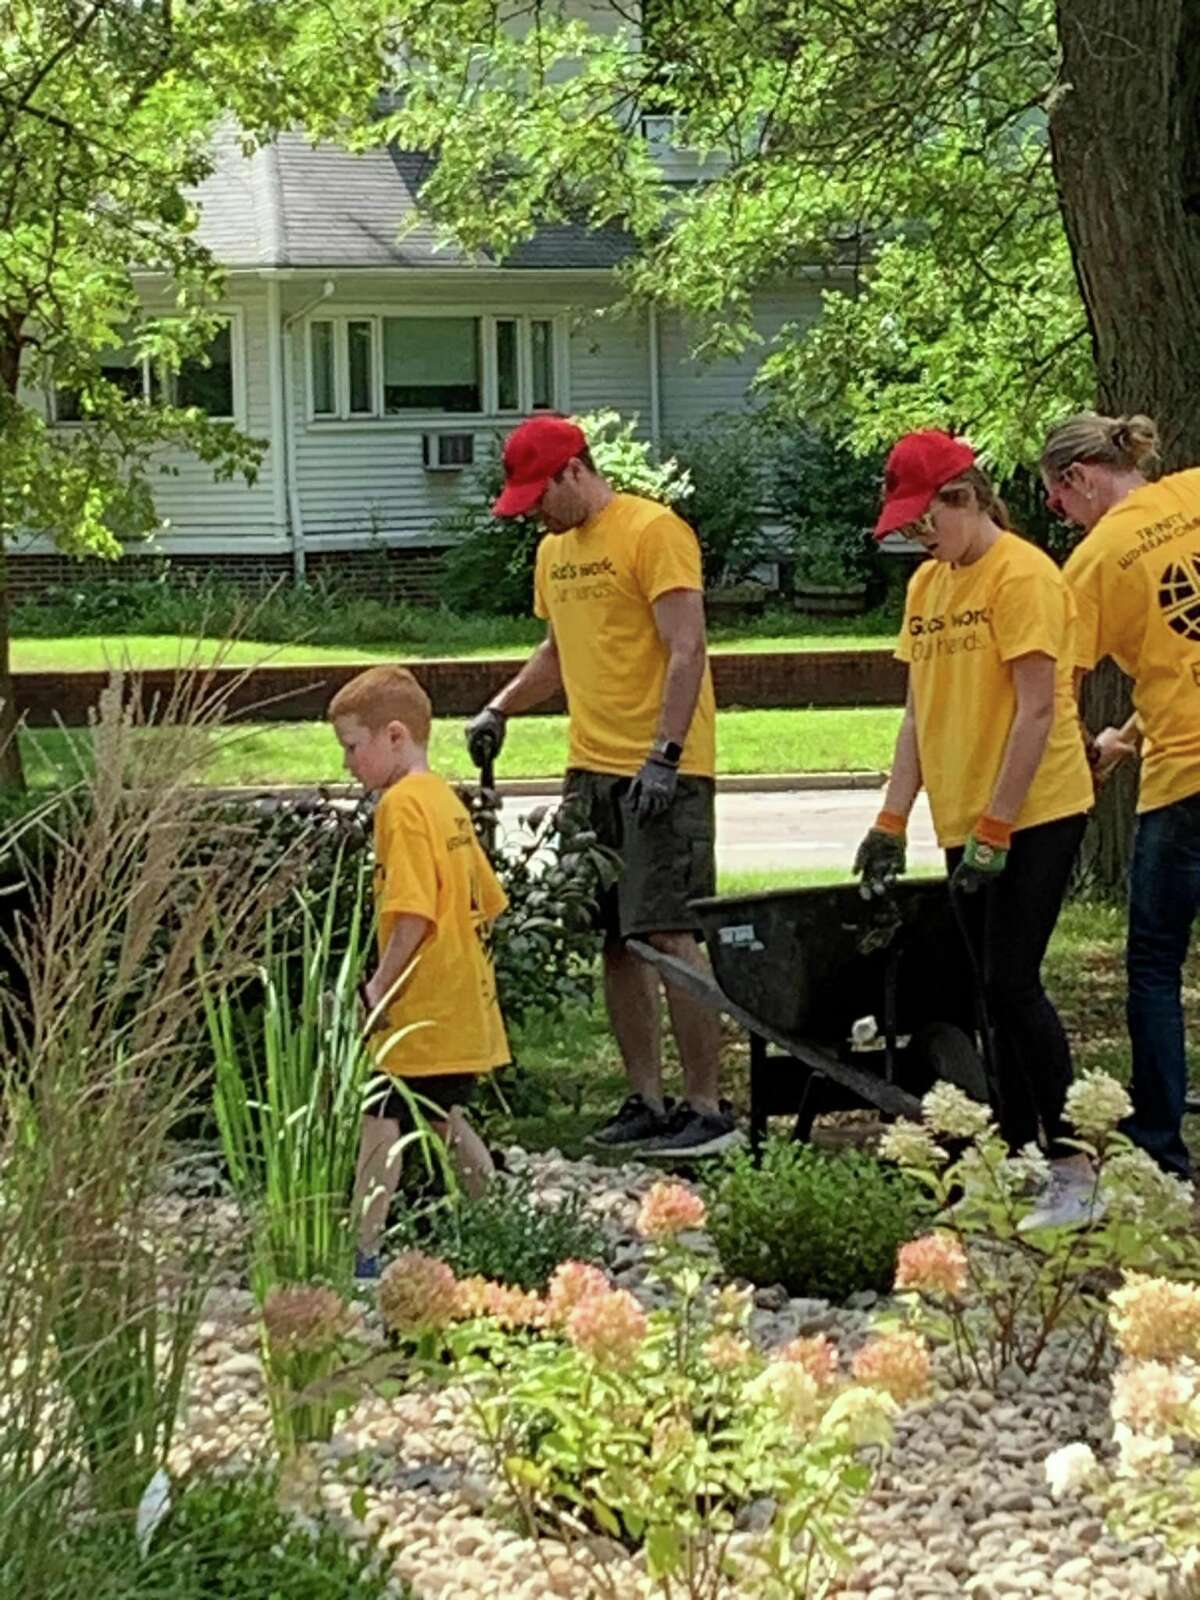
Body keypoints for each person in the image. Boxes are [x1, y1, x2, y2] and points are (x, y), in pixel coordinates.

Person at [465, 413, 739, 1158]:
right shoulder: (554, 553)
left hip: (665, 769)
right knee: (615, 939)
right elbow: (557, 654)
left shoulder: (654, 532)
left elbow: (687, 648)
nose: (535, 515)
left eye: (539, 497)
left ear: (574, 471)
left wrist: (665, 754)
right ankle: (646, 1099)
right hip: (590, 770)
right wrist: (500, 708)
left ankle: (706, 1107)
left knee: (668, 933)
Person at [854, 429, 1096, 1229]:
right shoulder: (928, 586)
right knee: (987, 991)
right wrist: (892, 820)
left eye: (926, 520)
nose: (920, 538)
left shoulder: (1023, 576)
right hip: (965, 814)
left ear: (963, 498)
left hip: (1038, 808)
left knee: (1013, 981)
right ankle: (1016, 1153)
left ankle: (1074, 1166)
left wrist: (998, 826)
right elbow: (918, 714)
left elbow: (1037, 712)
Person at [1043, 411, 1200, 1180]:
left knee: (1155, 965)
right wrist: (1130, 732)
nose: (1063, 517)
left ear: (1078, 478)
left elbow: (1055, 690)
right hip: (1168, 742)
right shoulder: (1196, 492)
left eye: (1057, 502)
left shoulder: (1095, 563)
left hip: (1186, 781)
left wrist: (1084, 758)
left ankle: (1162, 1145)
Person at [329, 665, 510, 1277]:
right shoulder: (444, 801)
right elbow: (486, 900)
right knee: (440, 1118)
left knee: (379, 1120)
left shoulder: (400, 807)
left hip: (419, 1010)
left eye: (353, 746)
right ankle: (504, 1226)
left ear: (395, 736)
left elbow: (412, 913)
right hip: (460, 1001)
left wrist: (378, 988)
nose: (348, 763)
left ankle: (363, 1255)